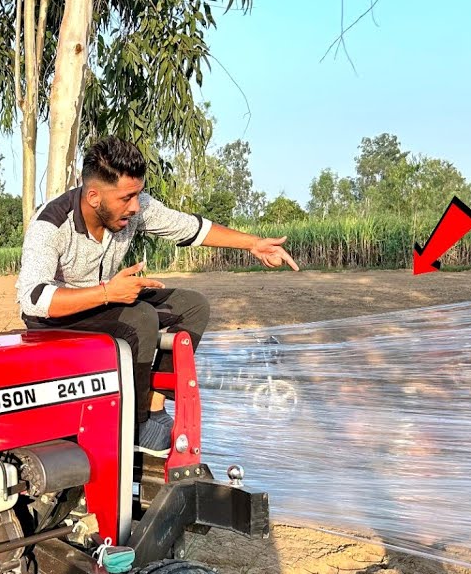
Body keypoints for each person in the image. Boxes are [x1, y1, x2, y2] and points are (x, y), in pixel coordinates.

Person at [16, 137, 299, 456]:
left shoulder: (134, 209)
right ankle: (133, 426)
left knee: (192, 307)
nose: (136, 206)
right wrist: (108, 292)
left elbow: (190, 228)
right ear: (94, 196)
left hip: (106, 299)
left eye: (137, 194)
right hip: (55, 318)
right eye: (127, 197)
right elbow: (33, 298)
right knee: (140, 318)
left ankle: (154, 407)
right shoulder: (51, 222)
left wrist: (252, 244)